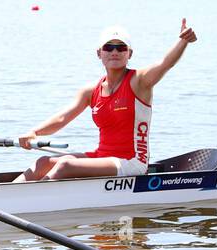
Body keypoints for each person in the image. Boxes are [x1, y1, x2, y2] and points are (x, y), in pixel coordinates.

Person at [14, 18, 198, 181]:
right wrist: (34, 132)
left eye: (121, 47)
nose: (115, 52)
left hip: (132, 162)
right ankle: (8, 193)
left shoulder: (140, 81)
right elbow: (62, 119)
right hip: (102, 156)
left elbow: (166, 64)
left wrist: (183, 41)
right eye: (109, 47)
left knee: (65, 166)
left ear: (129, 54)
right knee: (43, 162)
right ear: (99, 53)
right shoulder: (90, 91)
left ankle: (29, 200)